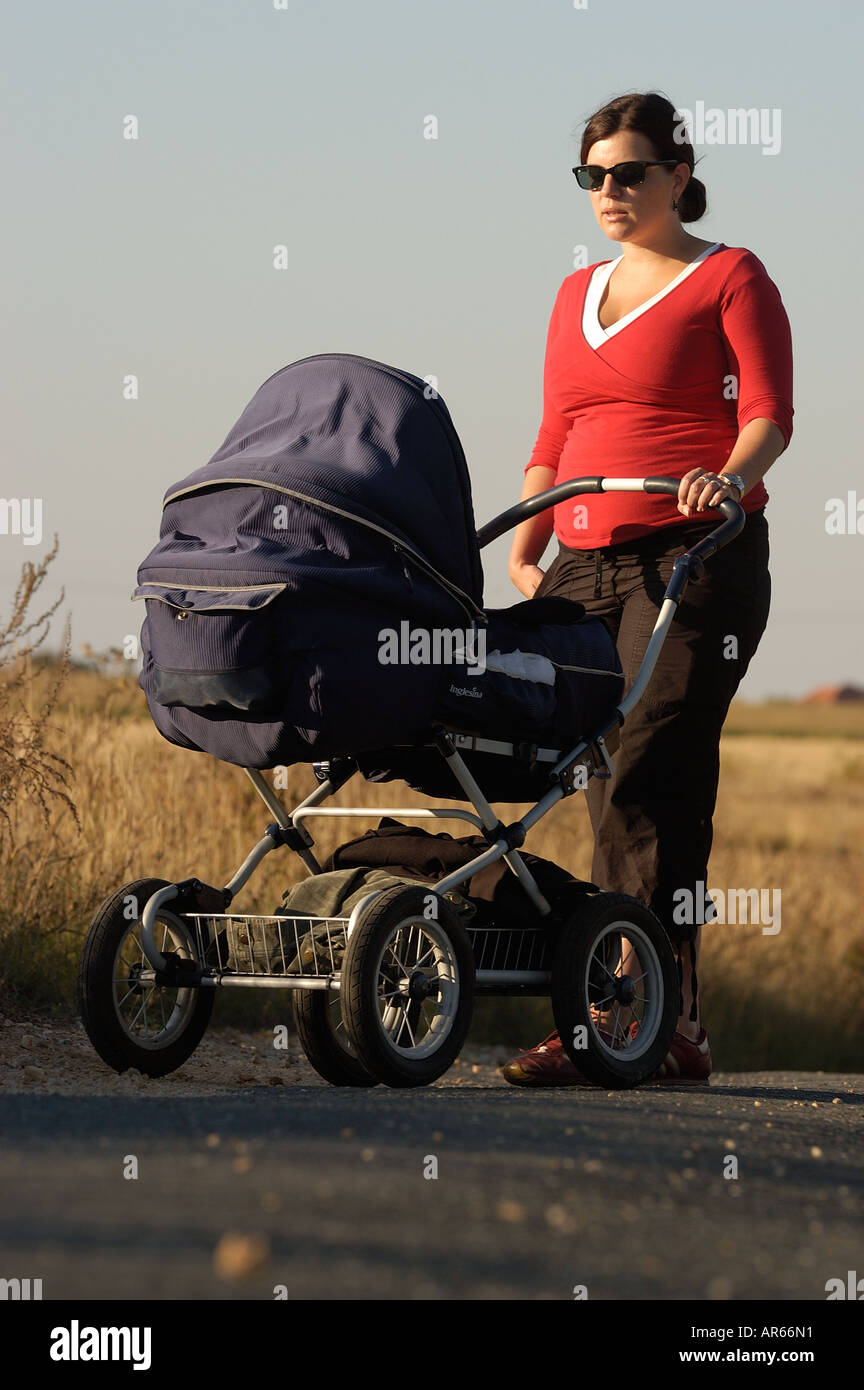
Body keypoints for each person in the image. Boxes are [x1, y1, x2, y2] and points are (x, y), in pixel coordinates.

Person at [501, 91, 793, 1087]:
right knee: (591, 775)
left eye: (631, 173)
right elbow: (553, 438)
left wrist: (732, 478)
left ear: (677, 174)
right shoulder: (570, 294)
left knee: (652, 772)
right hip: (583, 558)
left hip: (695, 553)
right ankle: (638, 1014)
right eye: (594, 176)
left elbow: (770, 415)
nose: (611, 192)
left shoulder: (730, 277)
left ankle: (639, 1021)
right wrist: (525, 541)